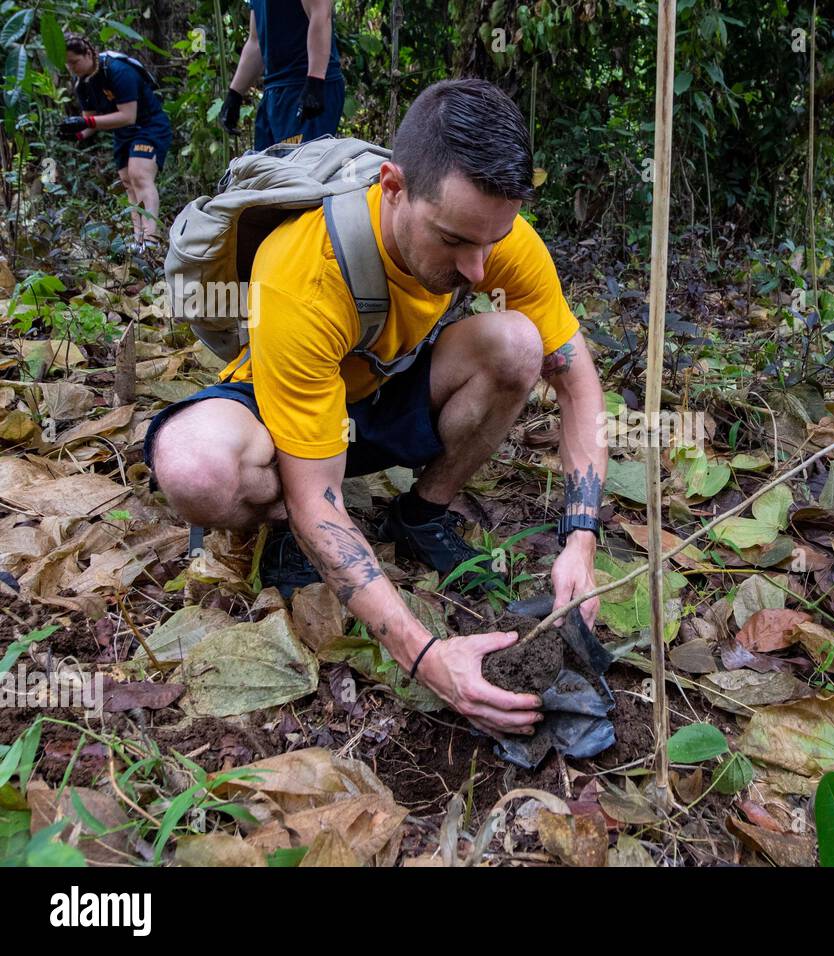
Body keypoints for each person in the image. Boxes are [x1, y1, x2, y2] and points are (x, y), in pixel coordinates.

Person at [144, 80, 608, 738]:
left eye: (491, 241)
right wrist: (425, 656)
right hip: (288, 408)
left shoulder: (492, 236)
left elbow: (580, 382)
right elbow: (317, 497)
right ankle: (265, 531)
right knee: (196, 466)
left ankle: (421, 513)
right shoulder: (303, 269)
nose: (479, 269)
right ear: (393, 187)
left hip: (385, 389)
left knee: (517, 343)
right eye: (453, 240)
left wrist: (580, 542)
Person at [60, 34, 173, 254]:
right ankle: (138, 239)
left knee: (139, 175)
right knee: (128, 182)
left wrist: (86, 122)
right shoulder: (82, 83)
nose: (71, 68)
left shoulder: (117, 70)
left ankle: (152, 239)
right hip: (122, 133)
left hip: (148, 126)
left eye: (74, 62)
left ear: (88, 54)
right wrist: (78, 134)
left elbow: (128, 116)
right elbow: (91, 120)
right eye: (67, 63)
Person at [218, 0, 346, 150]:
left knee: (299, 168)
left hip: (305, 85)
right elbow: (256, 42)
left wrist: (315, 82)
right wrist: (235, 95)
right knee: (266, 170)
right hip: (274, 92)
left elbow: (321, 14)